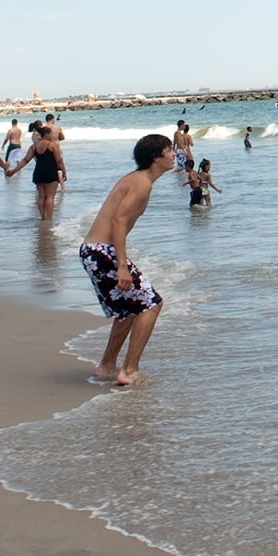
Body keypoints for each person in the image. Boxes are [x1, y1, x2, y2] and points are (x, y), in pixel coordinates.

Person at [77, 134, 175, 387]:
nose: (174, 154)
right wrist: (122, 265)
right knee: (152, 304)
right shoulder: (141, 182)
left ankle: (107, 366)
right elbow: (118, 221)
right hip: (102, 251)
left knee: (129, 309)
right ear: (157, 157)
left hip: (95, 251)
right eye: (170, 150)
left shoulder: (137, 180)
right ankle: (129, 370)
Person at [13, 122, 66, 221]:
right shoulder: (53, 145)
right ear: (46, 134)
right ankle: (49, 219)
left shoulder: (34, 146)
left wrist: (13, 171)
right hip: (51, 173)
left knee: (41, 197)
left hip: (38, 173)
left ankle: (42, 217)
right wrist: (64, 171)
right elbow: (59, 161)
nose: (51, 135)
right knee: (50, 197)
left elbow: (25, 160)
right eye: (50, 134)